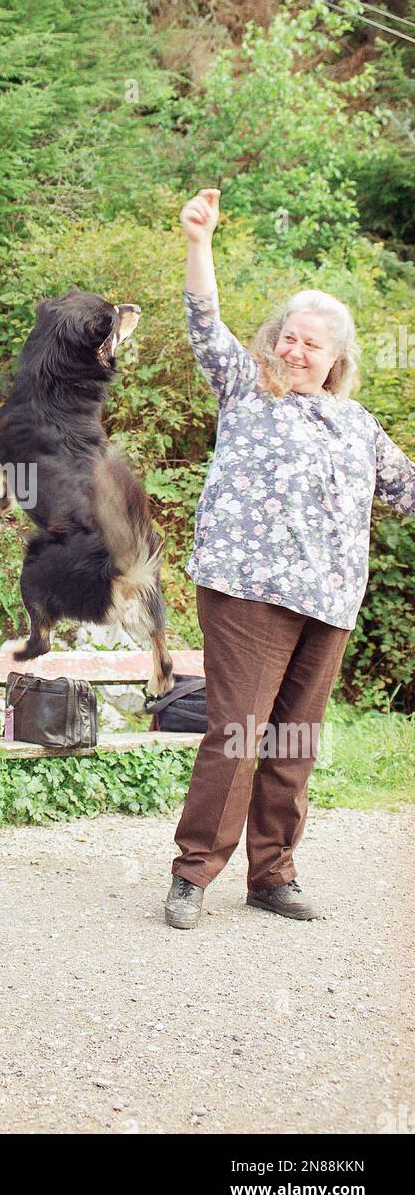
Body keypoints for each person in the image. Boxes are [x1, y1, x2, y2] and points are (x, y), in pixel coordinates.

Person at [165, 188, 415, 929]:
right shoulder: (245, 389)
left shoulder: (358, 424)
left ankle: (272, 875)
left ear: (337, 359)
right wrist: (199, 241)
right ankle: (192, 875)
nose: (296, 351)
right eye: (289, 337)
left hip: (329, 604)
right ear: (274, 340)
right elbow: (203, 322)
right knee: (238, 735)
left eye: (313, 344)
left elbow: (407, 489)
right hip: (247, 591)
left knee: (295, 742)